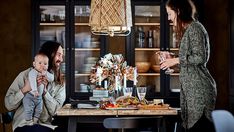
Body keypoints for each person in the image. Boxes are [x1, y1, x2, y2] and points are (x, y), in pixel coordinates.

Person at [159, 0, 217, 131]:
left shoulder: (195, 28)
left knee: (199, 127)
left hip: (199, 92)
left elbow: (201, 57)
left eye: (169, 13)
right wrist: (173, 63)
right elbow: (191, 64)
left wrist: (175, 60)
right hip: (191, 91)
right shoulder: (189, 30)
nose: (168, 18)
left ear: (178, 11)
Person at [5, 41, 65, 132]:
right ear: (49, 54)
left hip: (46, 126)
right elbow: (8, 105)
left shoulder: (59, 83)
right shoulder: (25, 75)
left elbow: (56, 111)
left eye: (62, 56)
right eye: (59, 55)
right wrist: (25, 89)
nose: (61, 59)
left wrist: (45, 92)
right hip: (24, 124)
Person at [23, 53, 54, 125]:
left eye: (45, 64)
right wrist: (35, 90)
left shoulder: (45, 73)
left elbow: (52, 78)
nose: (42, 65)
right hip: (30, 96)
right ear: (34, 64)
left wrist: (46, 74)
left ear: (48, 65)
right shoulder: (33, 72)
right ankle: (28, 121)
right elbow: (32, 81)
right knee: (29, 109)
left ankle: (35, 120)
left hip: (39, 97)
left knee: (39, 110)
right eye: (40, 63)